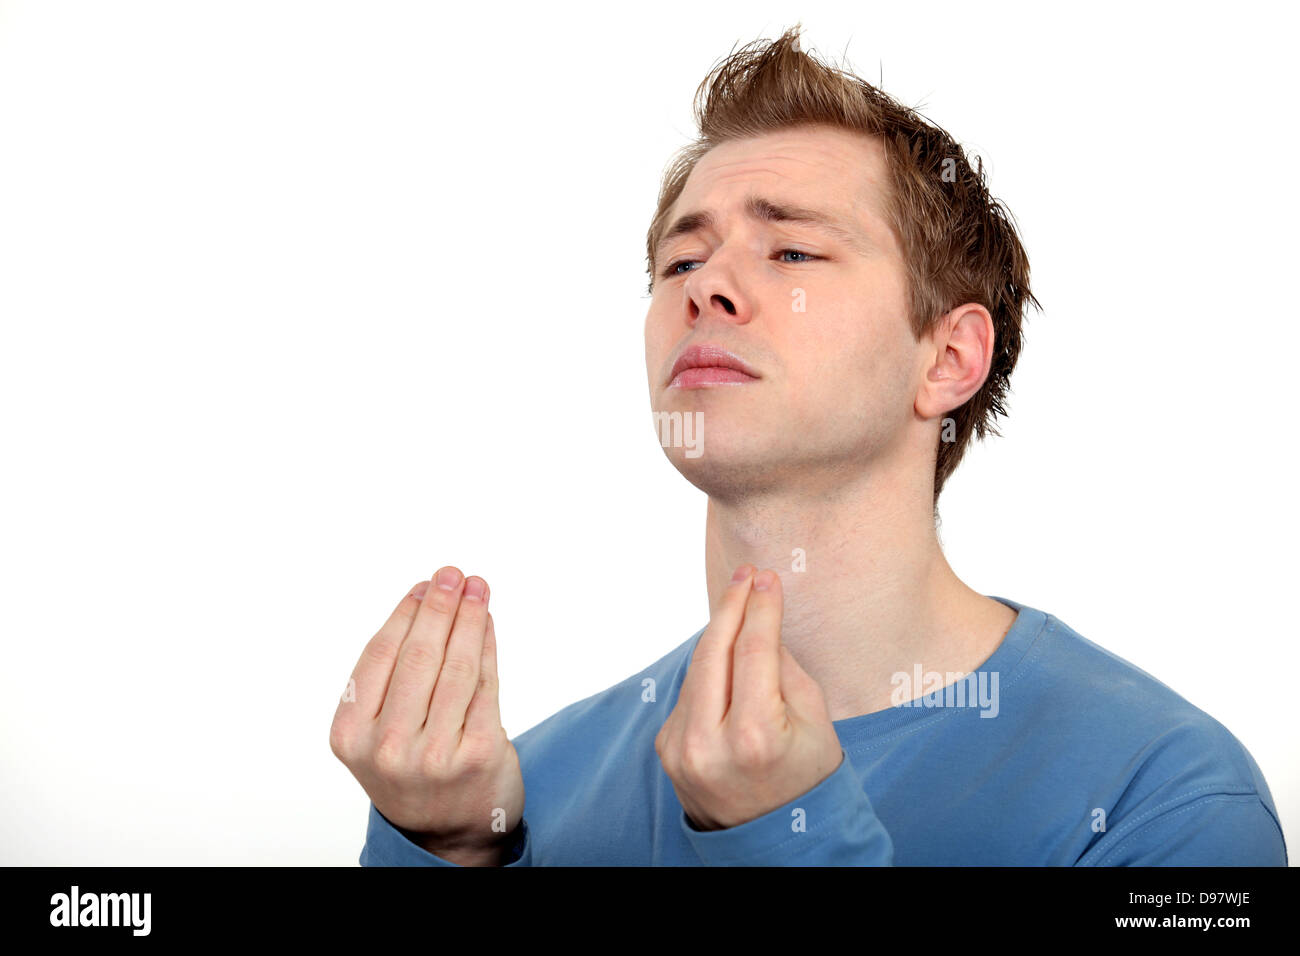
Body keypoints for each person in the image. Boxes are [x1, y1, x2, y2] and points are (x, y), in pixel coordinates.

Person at [329, 27, 1287, 866]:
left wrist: (787, 835)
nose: (707, 288)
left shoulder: (1165, 801)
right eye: (681, 259)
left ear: (949, 357)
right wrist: (443, 855)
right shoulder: (527, 793)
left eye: (790, 252)